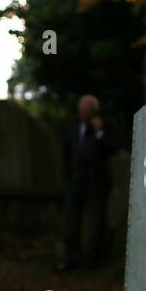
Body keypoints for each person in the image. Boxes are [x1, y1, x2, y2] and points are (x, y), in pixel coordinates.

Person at [59, 93, 117, 271]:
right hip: (76, 183)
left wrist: (99, 132)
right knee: (71, 224)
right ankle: (70, 260)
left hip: (96, 184)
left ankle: (94, 261)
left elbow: (112, 148)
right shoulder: (72, 127)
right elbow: (67, 153)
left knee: (96, 224)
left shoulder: (104, 127)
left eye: (87, 110)